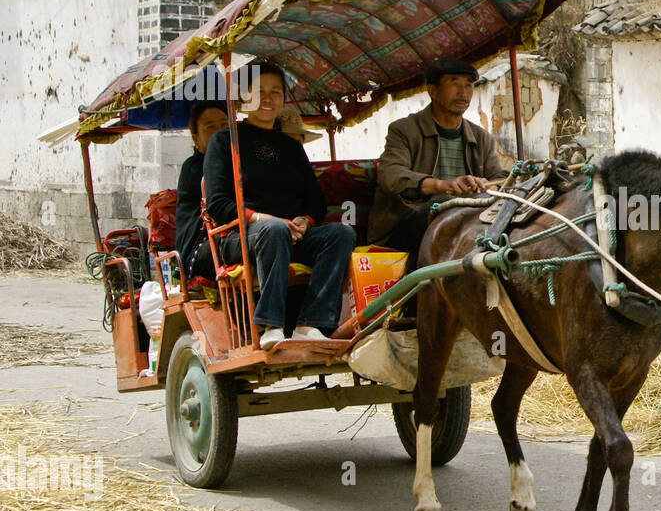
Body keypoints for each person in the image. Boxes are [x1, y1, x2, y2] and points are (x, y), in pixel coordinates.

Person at [203, 62, 356, 350]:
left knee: (341, 234)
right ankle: (271, 325)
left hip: (291, 232)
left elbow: (316, 201)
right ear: (243, 97)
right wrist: (262, 218)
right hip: (241, 234)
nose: (268, 99)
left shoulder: (291, 146)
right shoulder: (224, 141)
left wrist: (304, 221)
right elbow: (218, 204)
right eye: (259, 91)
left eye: (275, 92)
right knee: (273, 230)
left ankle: (311, 323)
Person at [369, 57, 513, 259]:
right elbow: (390, 174)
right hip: (408, 228)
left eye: (468, 85)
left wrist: (491, 187)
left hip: (466, 225)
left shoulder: (481, 137)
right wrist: (441, 185)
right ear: (432, 91)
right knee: (445, 206)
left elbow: (498, 177)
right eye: (454, 84)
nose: (463, 93)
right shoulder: (404, 130)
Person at [175, 99, 228, 281]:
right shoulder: (193, 168)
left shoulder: (237, 161)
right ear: (196, 138)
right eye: (210, 127)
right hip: (201, 247)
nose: (219, 131)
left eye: (224, 124)